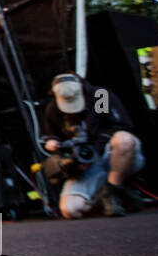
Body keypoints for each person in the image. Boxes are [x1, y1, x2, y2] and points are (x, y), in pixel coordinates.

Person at [40, 73, 143, 219]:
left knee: (123, 139)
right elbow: (52, 135)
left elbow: (117, 126)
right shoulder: (53, 108)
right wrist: (54, 144)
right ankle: (108, 194)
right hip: (86, 163)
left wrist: (96, 149)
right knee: (70, 210)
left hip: (111, 154)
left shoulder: (98, 96)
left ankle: (113, 189)